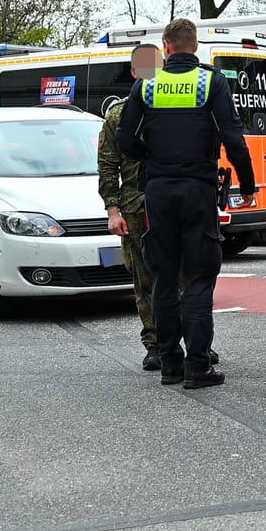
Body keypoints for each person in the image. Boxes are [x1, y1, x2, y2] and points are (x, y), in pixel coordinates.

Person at [115, 18, 254, 389]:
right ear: (194, 46)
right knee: (199, 278)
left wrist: (151, 158)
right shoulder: (211, 81)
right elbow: (234, 138)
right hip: (198, 190)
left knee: (163, 277)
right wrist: (249, 183)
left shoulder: (146, 84)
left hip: (158, 192)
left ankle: (170, 365)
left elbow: (124, 138)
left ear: (167, 46)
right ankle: (198, 367)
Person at [99, 44, 165, 371]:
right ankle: (154, 344)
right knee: (145, 278)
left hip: (169, 201)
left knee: (185, 276)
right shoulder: (118, 115)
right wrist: (112, 210)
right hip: (137, 205)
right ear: (135, 74)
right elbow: (108, 165)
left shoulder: (175, 107)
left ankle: (189, 341)